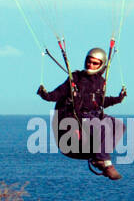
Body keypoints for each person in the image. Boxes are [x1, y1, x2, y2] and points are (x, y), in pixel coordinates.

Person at [38, 47, 126, 180]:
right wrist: (45, 95)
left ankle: (100, 154)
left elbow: (99, 102)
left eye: (95, 63)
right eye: (88, 62)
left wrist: (118, 99)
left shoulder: (100, 81)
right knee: (101, 127)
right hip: (77, 117)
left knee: (119, 126)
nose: (90, 65)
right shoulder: (76, 78)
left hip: (93, 114)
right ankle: (103, 161)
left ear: (101, 65)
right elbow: (58, 94)